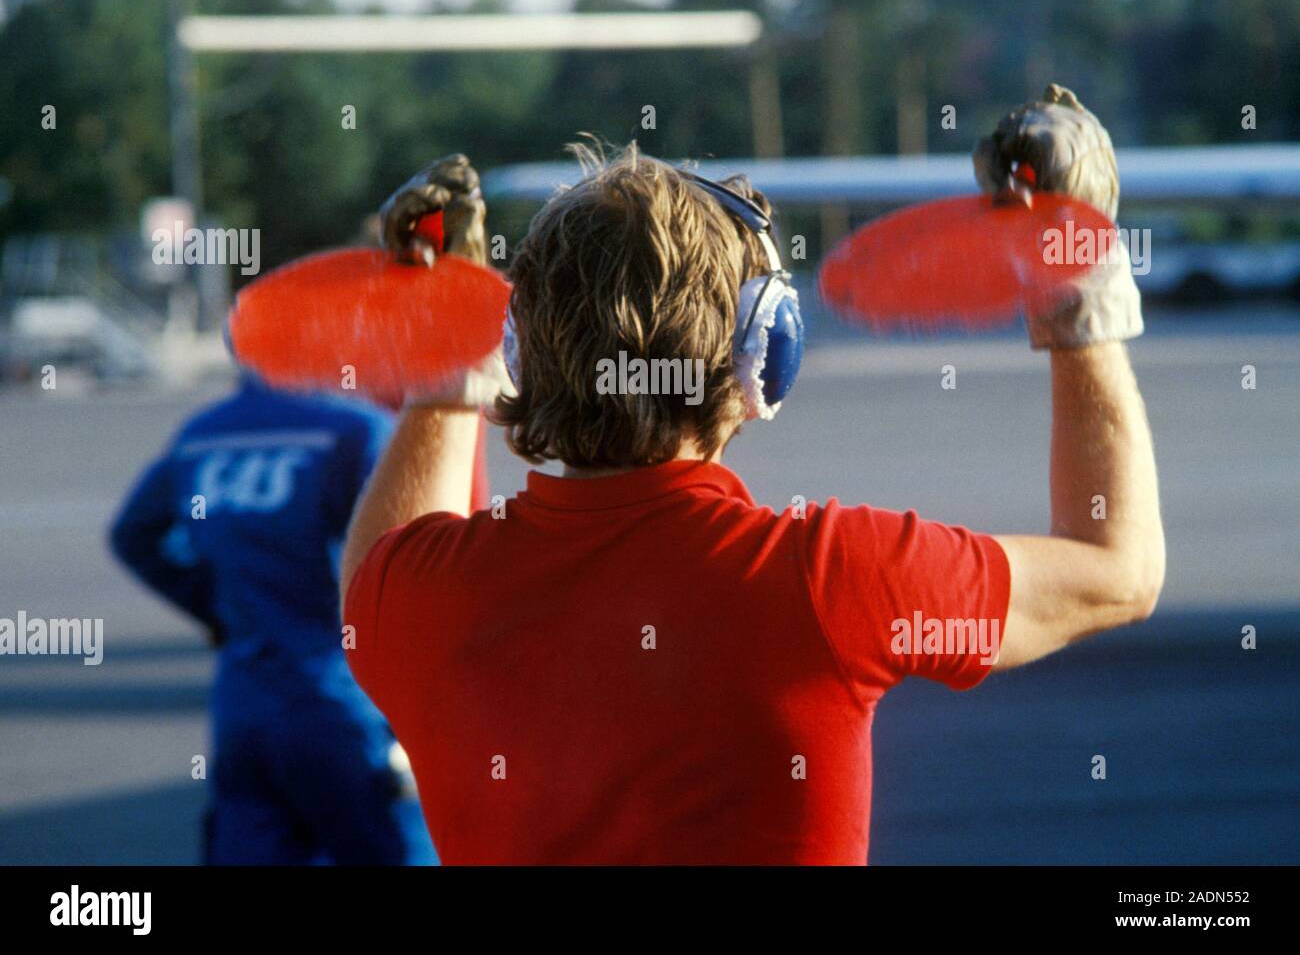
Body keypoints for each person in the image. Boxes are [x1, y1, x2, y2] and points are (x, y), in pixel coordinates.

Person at [341, 87, 1165, 865]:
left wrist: (447, 357)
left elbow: (376, 566)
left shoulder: (412, 599)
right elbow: (1117, 570)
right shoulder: (834, 578)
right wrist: (1076, 275)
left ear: (520, 353)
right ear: (763, 355)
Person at [109, 374, 438, 865]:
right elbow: (409, 566)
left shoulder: (204, 433)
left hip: (243, 703)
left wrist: (217, 608)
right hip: (339, 700)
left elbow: (134, 535)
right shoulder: (356, 430)